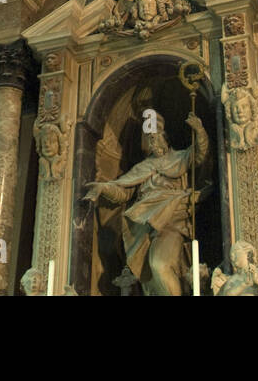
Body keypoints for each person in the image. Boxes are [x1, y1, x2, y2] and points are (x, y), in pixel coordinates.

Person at [83, 111, 208, 296]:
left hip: (170, 224)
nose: (154, 143)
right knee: (150, 281)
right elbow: (123, 191)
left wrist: (199, 131)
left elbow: (200, 155)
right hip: (144, 229)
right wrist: (103, 188)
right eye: (150, 140)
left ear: (166, 139)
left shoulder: (180, 158)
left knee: (160, 264)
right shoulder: (143, 168)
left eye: (157, 138)